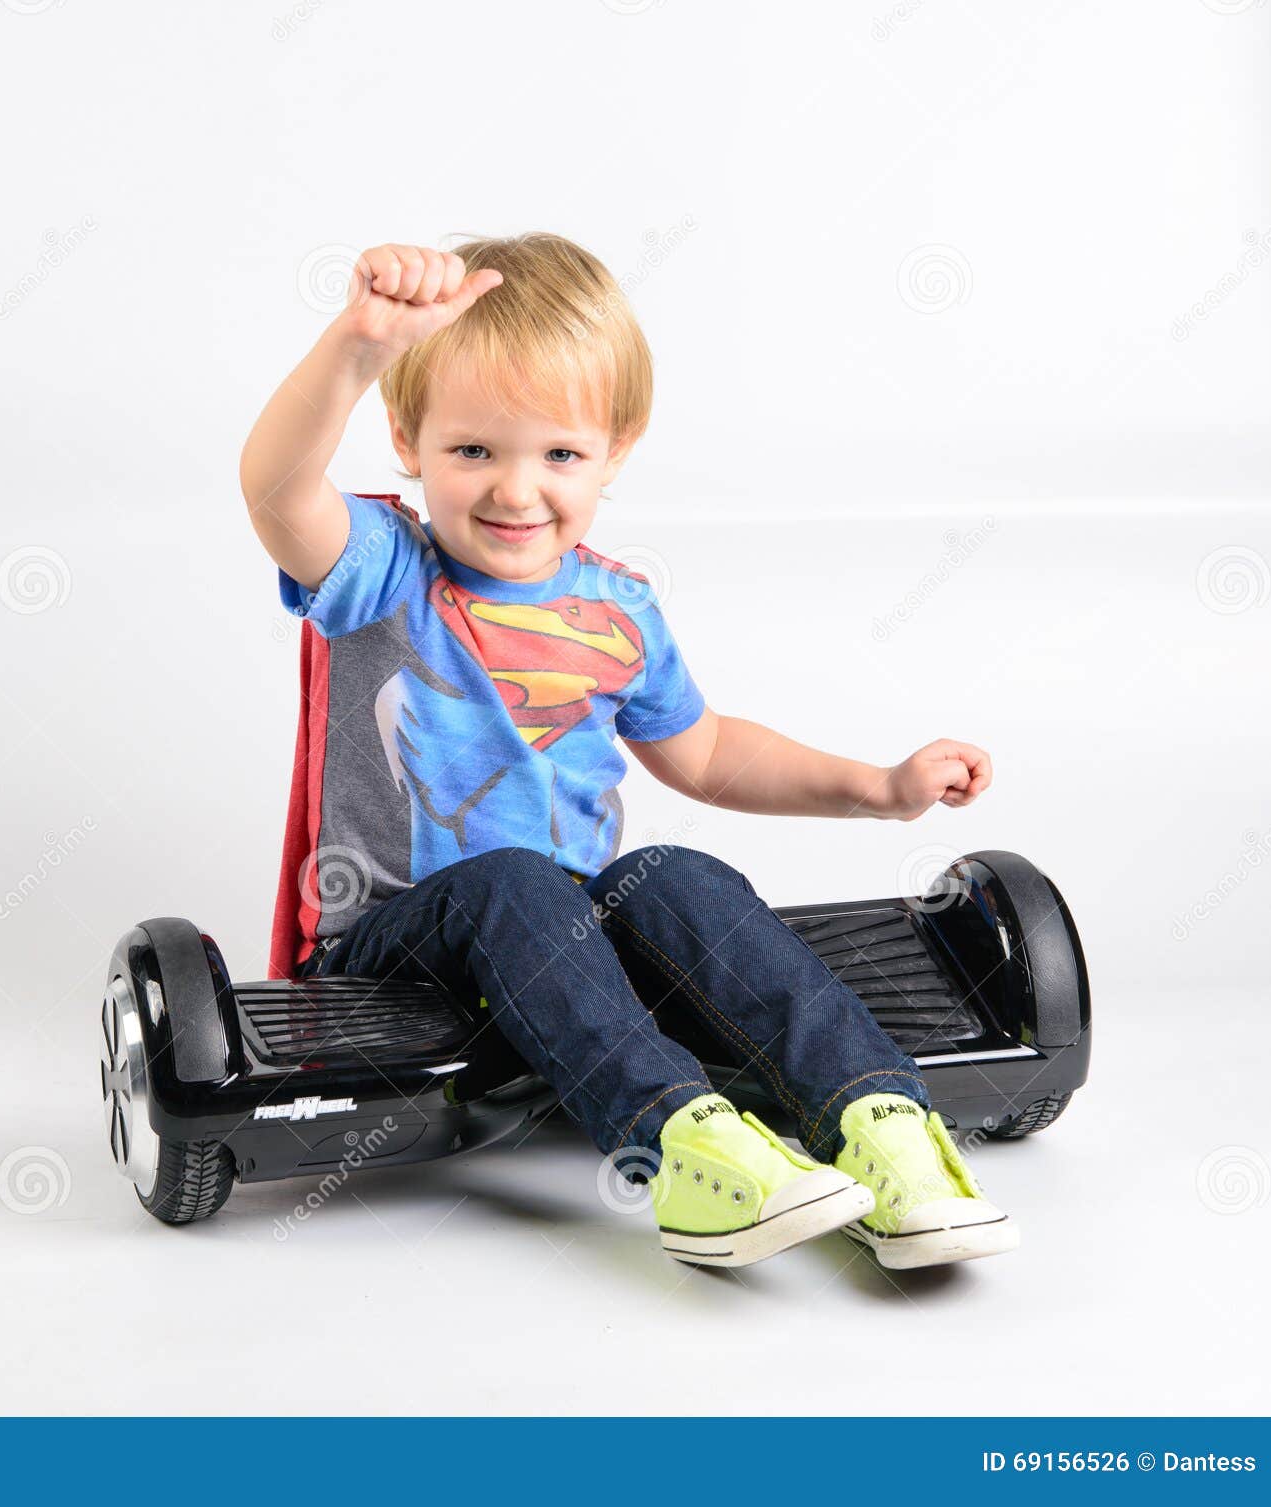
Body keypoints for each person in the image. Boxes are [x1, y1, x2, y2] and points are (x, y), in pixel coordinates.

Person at [239, 233, 1015, 1271]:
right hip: (398, 958)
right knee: (512, 880)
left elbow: (707, 756)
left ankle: (880, 1130)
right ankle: (689, 1152)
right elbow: (275, 487)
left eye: (558, 454)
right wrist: (354, 346)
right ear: (408, 438)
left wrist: (874, 788)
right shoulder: (383, 567)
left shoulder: (618, 606)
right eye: (474, 450)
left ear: (616, 448)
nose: (518, 490)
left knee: (668, 874)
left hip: (566, 950)